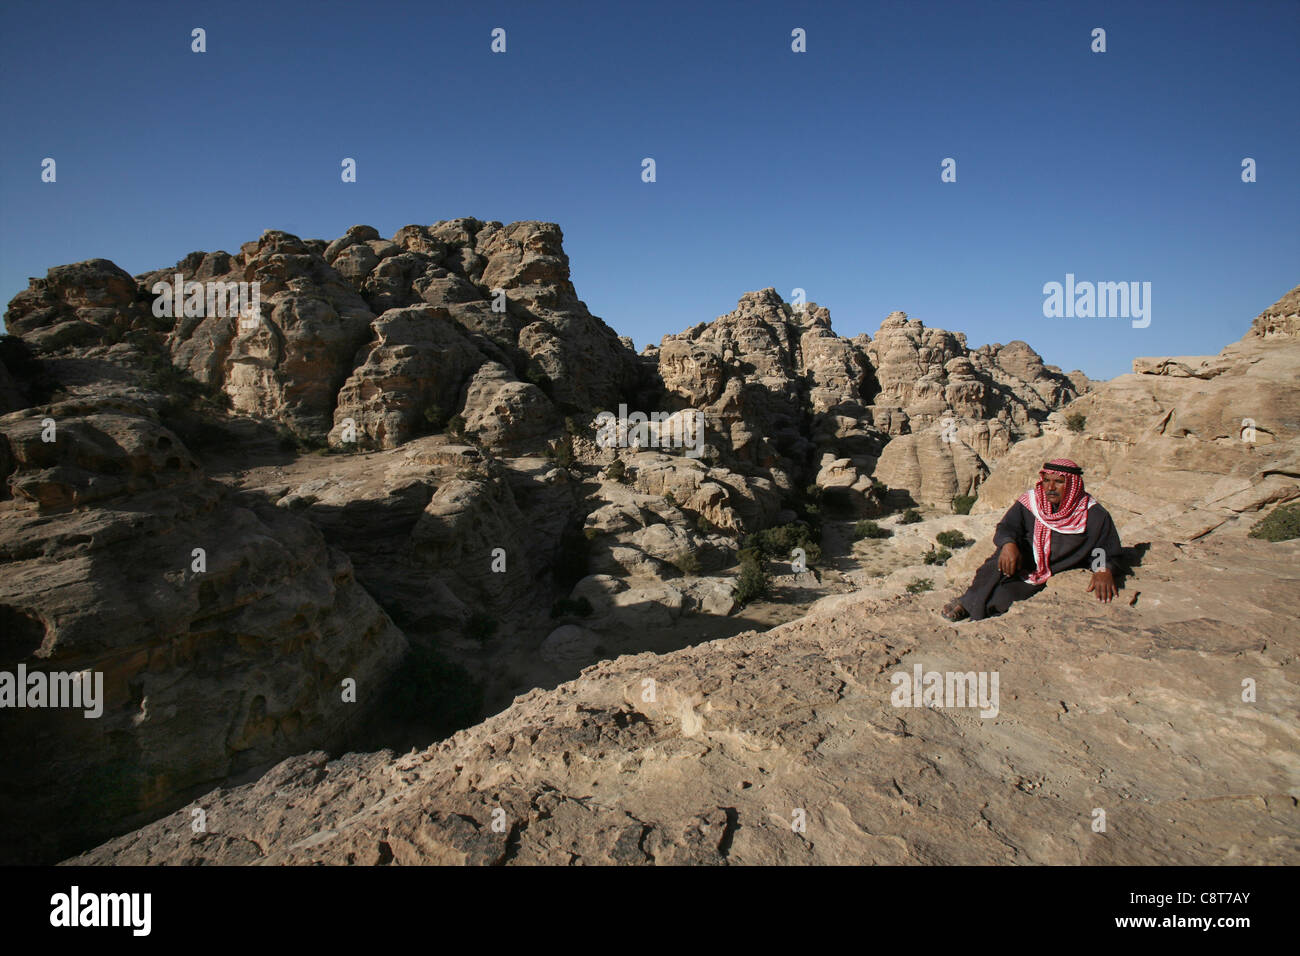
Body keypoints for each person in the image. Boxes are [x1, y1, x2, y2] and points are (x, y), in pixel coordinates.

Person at [941, 458, 1121, 621]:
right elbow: (1007, 527)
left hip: (1055, 568)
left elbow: (1104, 546)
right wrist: (1008, 544)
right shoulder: (1032, 501)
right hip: (1023, 558)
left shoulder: (1094, 514)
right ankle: (967, 602)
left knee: (1005, 597)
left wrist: (1103, 569)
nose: (1050, 487)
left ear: (1072, 485)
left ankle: (974, 606)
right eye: (1046, 481)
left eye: (1058, 482)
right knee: (991, 568)